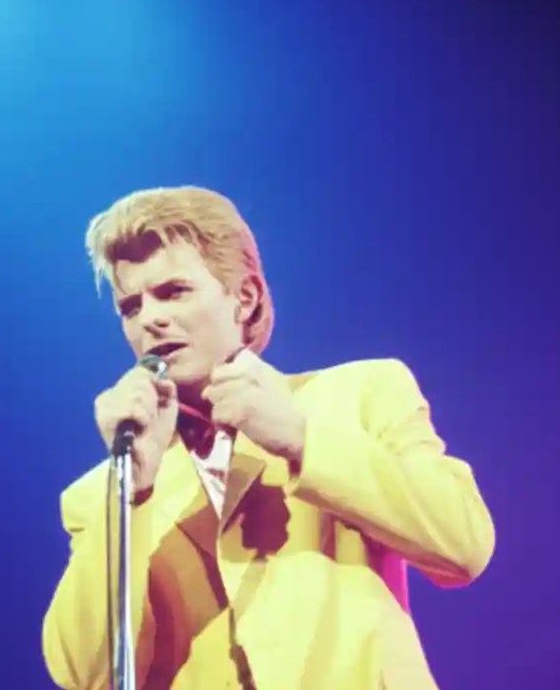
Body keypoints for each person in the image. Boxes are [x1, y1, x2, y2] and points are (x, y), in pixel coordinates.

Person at [41, 186, 496, 689]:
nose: (150, 318)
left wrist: (302, 440)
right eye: (131, 307)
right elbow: (84, 674)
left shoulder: (361, 393)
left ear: (245, 297)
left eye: (173, 292)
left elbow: (464, 544)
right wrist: (132, 494)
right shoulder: (103, 494)